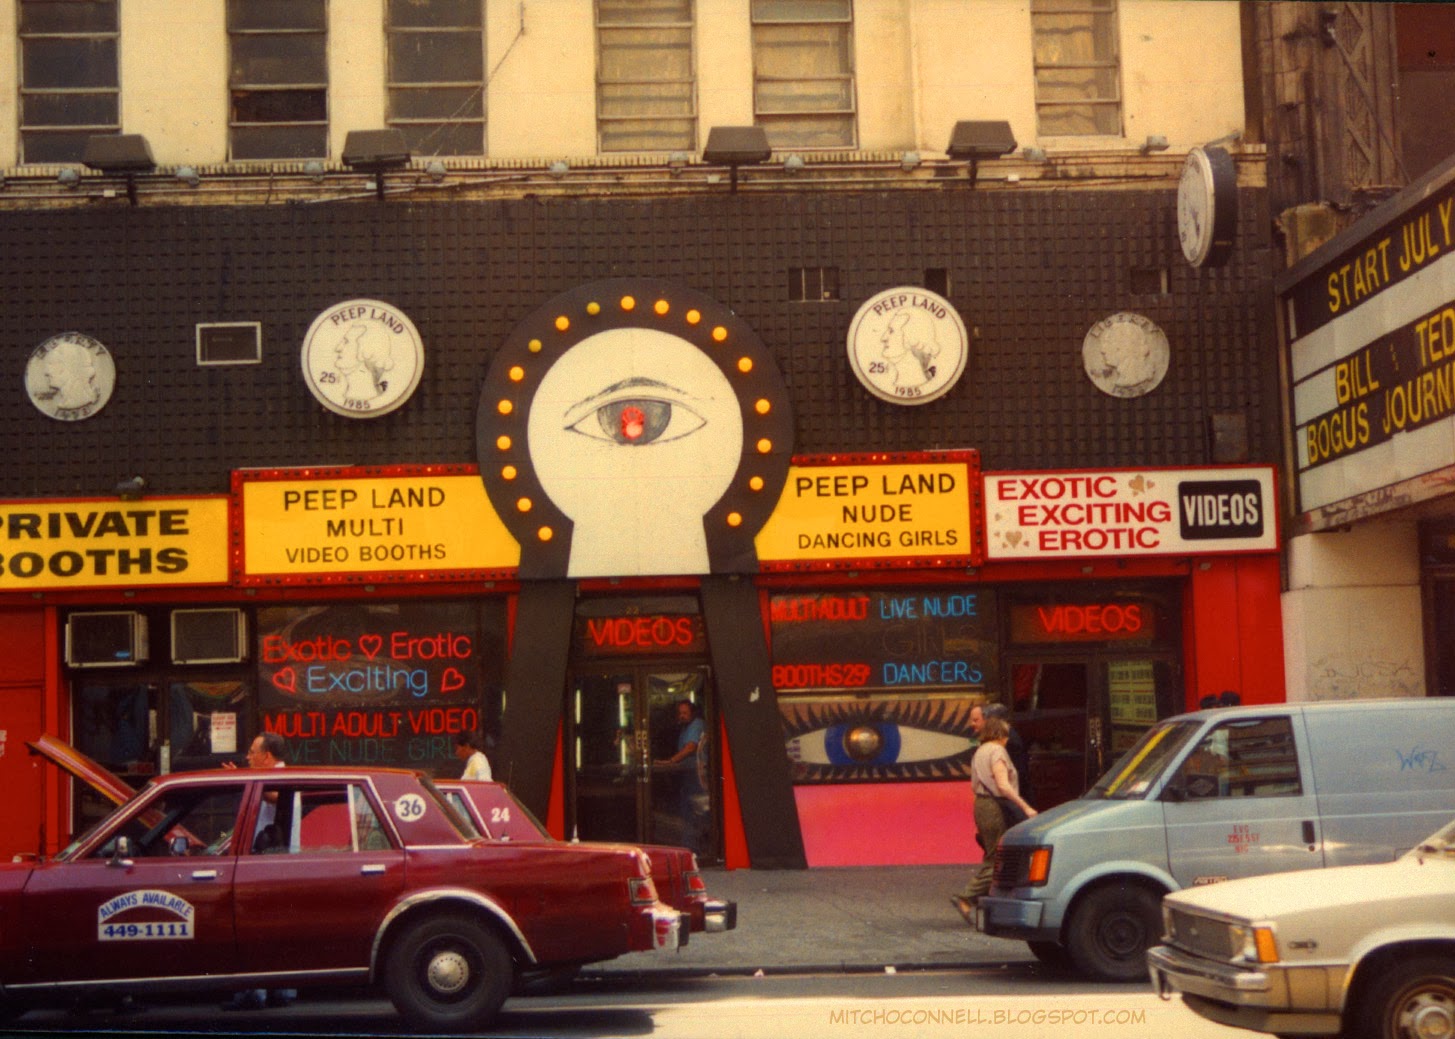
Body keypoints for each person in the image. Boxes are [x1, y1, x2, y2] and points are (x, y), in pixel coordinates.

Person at [221, 732, 295, 1011]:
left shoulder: (281, 777)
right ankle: (280, 990)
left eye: (253, 752)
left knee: (253, 930)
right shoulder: (272, 775)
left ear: (267, 756)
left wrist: (245, 779)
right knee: (274, 931)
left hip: (269, 865)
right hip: (273, 865)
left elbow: (276, 797)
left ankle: (255, 992)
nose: (248, 757)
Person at [953, 716, 1037, 922]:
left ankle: (987, 900)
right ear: (1000, 734)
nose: (1008, 739)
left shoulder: (980, 751)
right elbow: (1003, 785)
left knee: (993, 853)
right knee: (999, 857)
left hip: (982, 805)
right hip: (995, 807)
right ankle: (966, 897)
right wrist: (1025, 806)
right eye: (1006, 734)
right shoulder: (997, 751)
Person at [654, 700, 707, 854]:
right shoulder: (684, 729)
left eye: (685, 713)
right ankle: (688, 846)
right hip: (688, 774)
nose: (682, 716)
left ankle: (693, 848)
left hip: (696, 775)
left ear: (692, 713)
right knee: (687, 811)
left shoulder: (696, 725)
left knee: (694, 811)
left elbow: (691, 747)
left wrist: (671, 761)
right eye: (680, 713)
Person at [984, 702, 1033, 805]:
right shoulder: (1004, 736)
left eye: (989, 719)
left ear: (998, 720)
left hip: (1016, 792)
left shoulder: (1010, 740)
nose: (987, 723)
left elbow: (1016, 771)